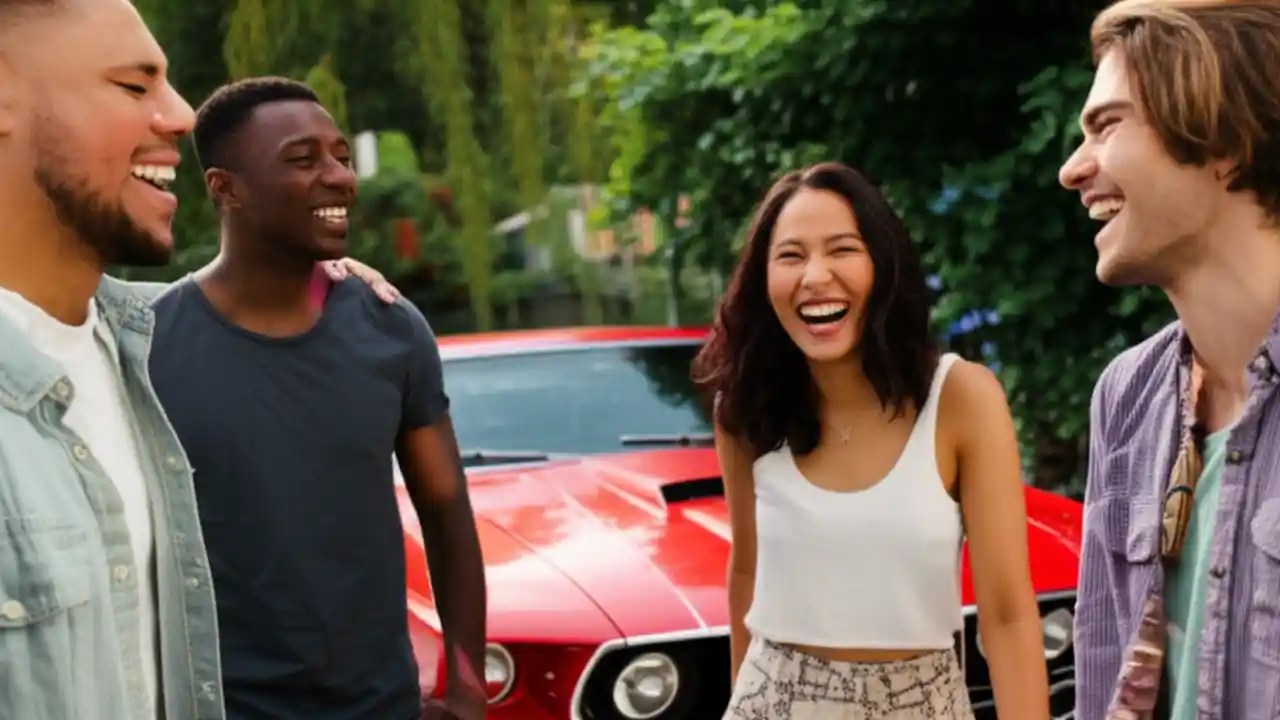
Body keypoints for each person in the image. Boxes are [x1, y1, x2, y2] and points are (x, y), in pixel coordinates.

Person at [146, 76, 487, 720]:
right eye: (304, 160)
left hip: (381, 706)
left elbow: (446, 513)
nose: (340, 178)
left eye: (341, 156)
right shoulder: (151, 345)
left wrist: (467, 687)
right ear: (226, 189)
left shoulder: (391, 327)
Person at [693, 161, 1050, 719]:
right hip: (773, 699)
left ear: (883, 266)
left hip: (921, 702)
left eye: (841, 250)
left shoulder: (961, 398)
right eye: (791, 256)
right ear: (763, 282)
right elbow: (746, 573)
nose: (815, 277)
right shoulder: (746, 408)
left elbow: (1007, 613)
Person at [1058, 1, 1280, 718]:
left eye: (1108, 124)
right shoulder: (1126, 397)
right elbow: (1100, 672)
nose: (1072, 169)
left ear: (1226, 139)